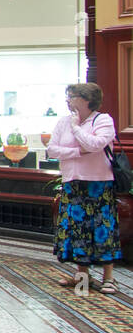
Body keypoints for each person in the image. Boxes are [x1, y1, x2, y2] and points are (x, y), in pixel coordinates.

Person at [47, 83, 122, 294]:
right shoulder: (64, 122)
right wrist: (78, 152)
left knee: (102, 228)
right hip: (73, 182)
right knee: (77, 229)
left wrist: (77, 129)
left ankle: (109, 278)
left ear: (87, 99)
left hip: (98, 183)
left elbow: (95, 144)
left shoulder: (103, 120)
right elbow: (52, 150)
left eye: (72, 97)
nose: (68, 101)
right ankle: (82, 277)